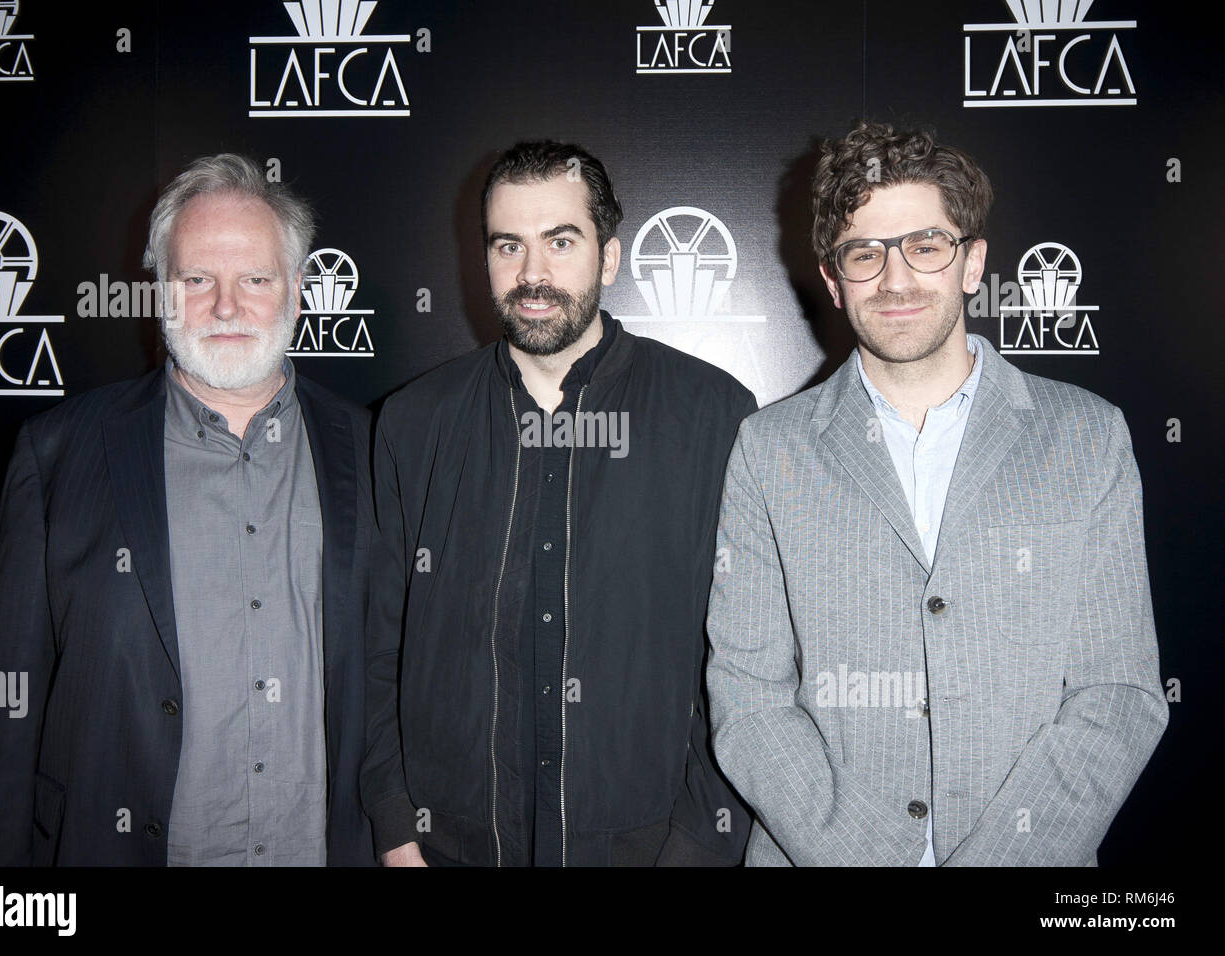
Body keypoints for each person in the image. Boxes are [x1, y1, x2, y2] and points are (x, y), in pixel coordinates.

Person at [706, 121, 1167, 866]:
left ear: (973, 262)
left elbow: (1118, 694)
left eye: (925, 245)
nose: (895, 279)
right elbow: (749, 697)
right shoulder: (770, 450)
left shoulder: (1088, 438)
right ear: (833, 278)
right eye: (865, 253)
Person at [0, 154, 376, 866]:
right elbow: (2, 717)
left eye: (256, 280)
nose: (226, 306)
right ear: (160, 293)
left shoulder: (371, 451)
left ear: (297, 291)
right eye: (197, 279)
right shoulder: (59, 455)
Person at [363, 140, 754, 866]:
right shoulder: (414, 423)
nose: (532, 274)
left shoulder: (715, 418)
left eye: (560, 242)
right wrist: (394, 826)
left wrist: (698, 844)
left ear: (608, 258)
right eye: (508, 245)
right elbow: (376, 644)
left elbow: (747, 664)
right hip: (449, 848)